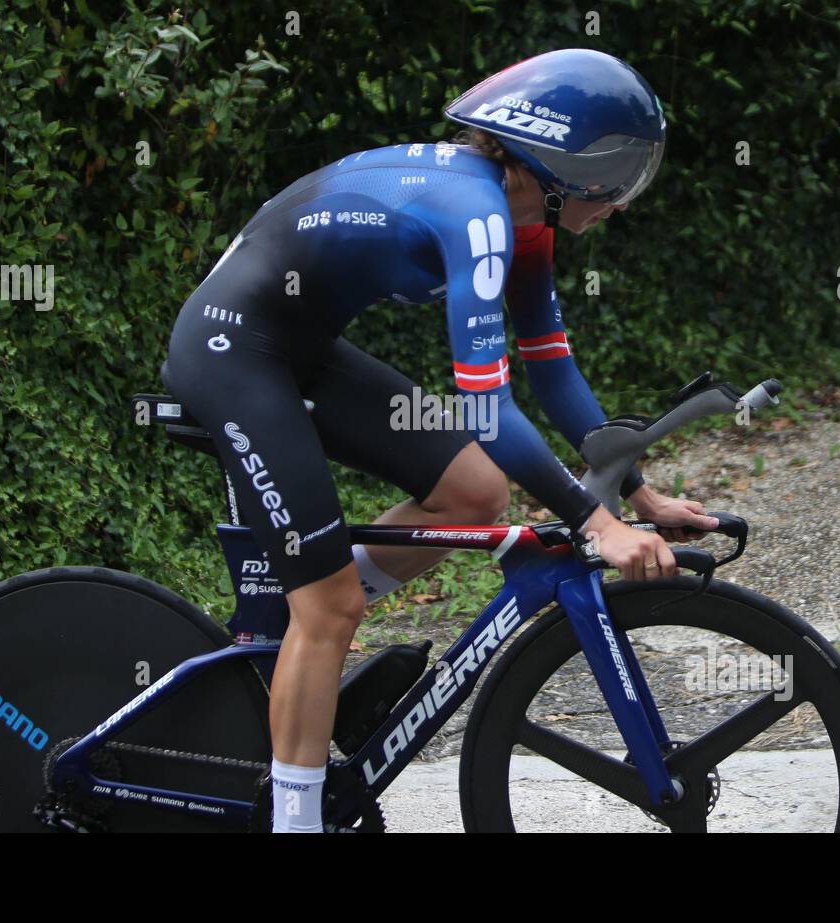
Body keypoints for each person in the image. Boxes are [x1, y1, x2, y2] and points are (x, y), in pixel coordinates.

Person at [161, 48, 719, 832]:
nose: (622, 200)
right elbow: (488, 410)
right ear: (559, 158)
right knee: (330, 605)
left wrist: (636, 493)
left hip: (297, 347)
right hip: (232, 349)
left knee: (475, 495)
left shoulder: (523, 223)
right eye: (617, 172)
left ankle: (305, 624)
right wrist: (595, 525)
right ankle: (296, 808)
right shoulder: (477, 210)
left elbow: (552, 375)